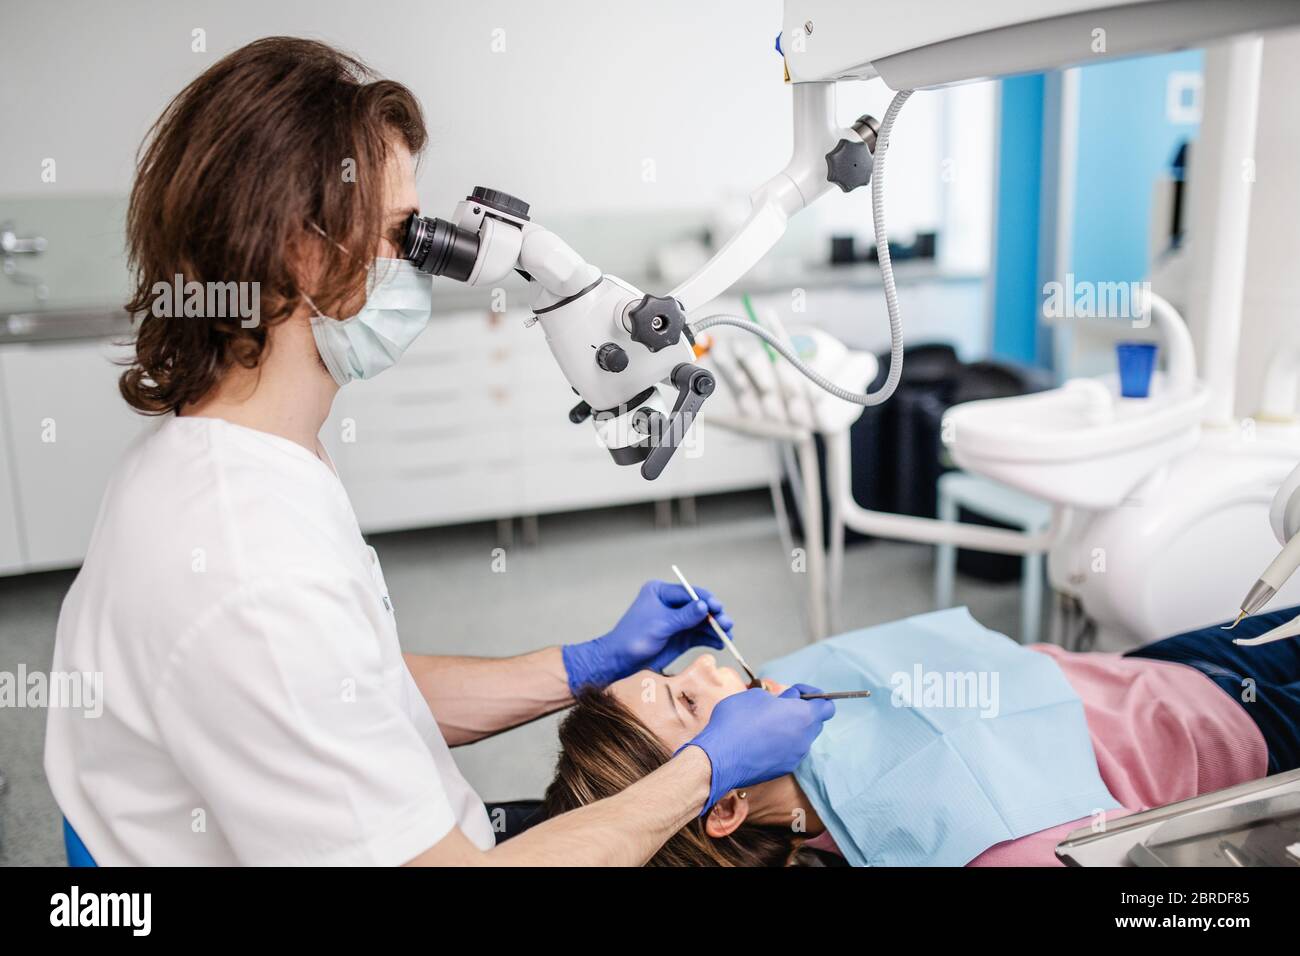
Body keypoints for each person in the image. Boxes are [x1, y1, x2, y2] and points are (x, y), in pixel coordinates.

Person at [42, 37, 835, 866]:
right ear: (302, 254)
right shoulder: (250, 568)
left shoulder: (247, 455)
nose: (419, 265)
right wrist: (703, 772)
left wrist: (585, 664)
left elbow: (360, 691)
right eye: (400, 234)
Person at [543, 607, 1300, 866]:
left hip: (1155, 668)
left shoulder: (784, 690)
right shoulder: (966, 841)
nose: (708, 663)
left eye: (678, 667)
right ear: (723, 806)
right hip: (1251, 726)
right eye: (682, 698)